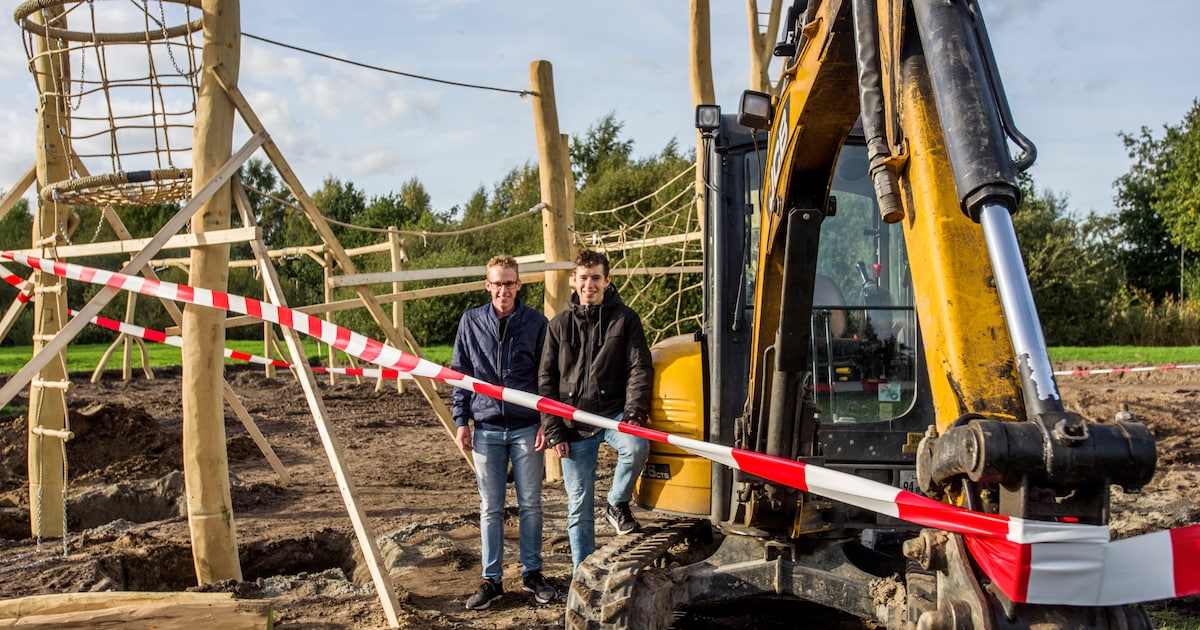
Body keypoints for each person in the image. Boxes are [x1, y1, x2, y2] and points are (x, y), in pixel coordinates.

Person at [451, 255, 557, 610]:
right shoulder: (470, 322)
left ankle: (532, 573)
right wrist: (461, 420)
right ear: (487, 285)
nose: (503, 289)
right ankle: (491, 579)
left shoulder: (536, 323)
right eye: (497, 283)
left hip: (528, 426)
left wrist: (546, 420)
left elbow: (548, 376)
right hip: (486, 430)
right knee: (491, 507)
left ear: (519, 285)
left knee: (531, 504)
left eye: (510, 283)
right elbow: (460, 374)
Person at [539, 249, 653, 570]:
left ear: (607, 280)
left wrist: (633, 414)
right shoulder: (558, 326)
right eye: (584, 278)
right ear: (574, 281)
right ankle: (582, 574)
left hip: (614, 413)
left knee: (637, 446)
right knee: (578, 508)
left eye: (596, 278)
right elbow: (546, 381)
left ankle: (616, 503)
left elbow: (639, 368)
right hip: (573, 423)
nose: (590, 284)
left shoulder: (625, 319)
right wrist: (554, 430)